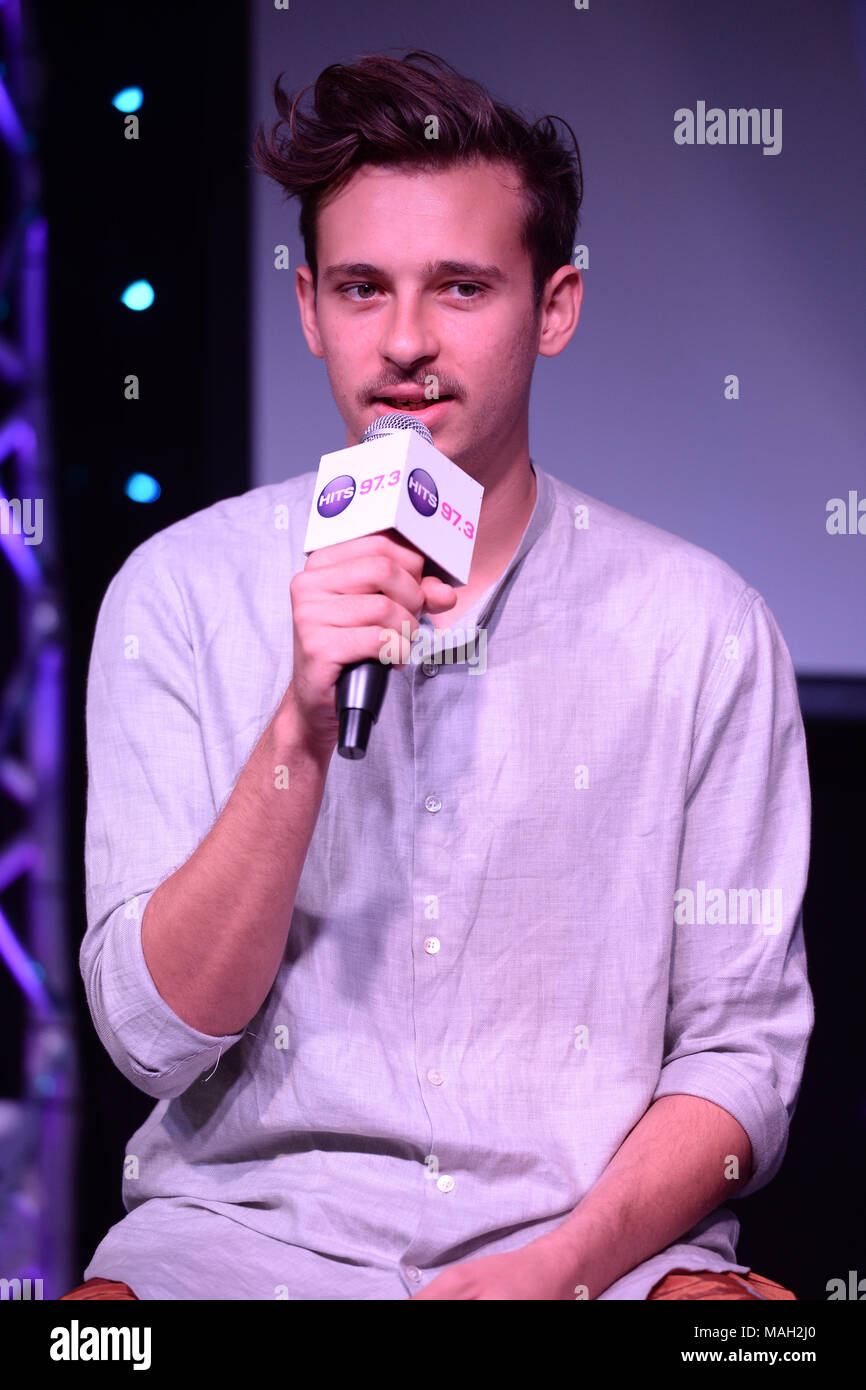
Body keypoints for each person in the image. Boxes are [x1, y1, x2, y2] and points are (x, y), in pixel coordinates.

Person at [62, 49, 812, 1301]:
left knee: (763, 1340)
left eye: (460, 287)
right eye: (361, 288)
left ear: (554, 305)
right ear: (307, 307)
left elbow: (739, 1055)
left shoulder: (702, 628)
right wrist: (302, 716)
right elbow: (150, 1038)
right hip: (244, 1242)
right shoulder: (177, 595)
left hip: (590, 1245)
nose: (404, 341)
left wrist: (561, 1269)